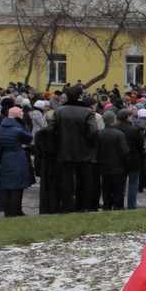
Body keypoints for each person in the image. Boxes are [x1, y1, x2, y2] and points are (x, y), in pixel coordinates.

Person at [48, 85, 98, 213]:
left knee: (67, 179)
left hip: (65, 149)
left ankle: (66, 206)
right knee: (86, 178)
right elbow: (93, 131)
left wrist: (57, 143)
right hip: (84, 150)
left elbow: (50, 130)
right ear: (80, 96)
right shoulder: (88, 112)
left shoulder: (59, 111)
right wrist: (92, 144)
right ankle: (85, 205)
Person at [0, 106, 33, 217]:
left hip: (5, 157)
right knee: (17, 186)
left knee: (6, 186)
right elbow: (29, 137)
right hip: (18, 157)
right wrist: (24, 124)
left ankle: (8, 212)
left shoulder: (1, 128)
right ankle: (15, 211)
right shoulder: (17, 130)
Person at [97, 111, 131, 210]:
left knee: (106, 188)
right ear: (113, 120)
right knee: (118, 189)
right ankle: (118, 206)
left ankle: (107, 206)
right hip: (118, 167)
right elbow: (124, 151)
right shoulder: (119, 134)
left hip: (104, 166)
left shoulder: (100, 134)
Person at [116, 108, 146, 209]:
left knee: (121, 184)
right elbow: (141, 145)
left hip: (120, 160)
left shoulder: (116, 129)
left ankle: (119, 204)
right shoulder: (134, 130)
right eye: (131, 115)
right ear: (127, 117)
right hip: (133, 159)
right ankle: (131, 205)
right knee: (133, 184)